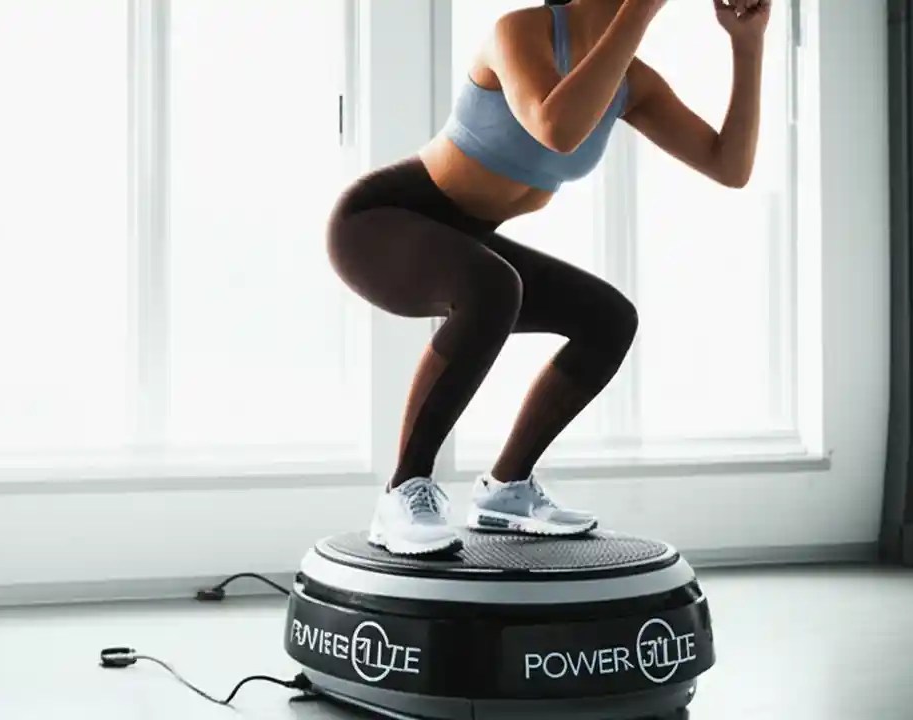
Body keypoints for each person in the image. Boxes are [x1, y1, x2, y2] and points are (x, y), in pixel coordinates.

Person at [327, 0, 770, 555]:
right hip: (378, 223)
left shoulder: (630, 82)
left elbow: (730, 166)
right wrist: (638, 14)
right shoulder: (519, 32)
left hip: (466, 241)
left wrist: (746, 44)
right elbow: (554, 128)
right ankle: (403, 489)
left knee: (606, 319)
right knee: (495, 287)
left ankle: (505, 492)